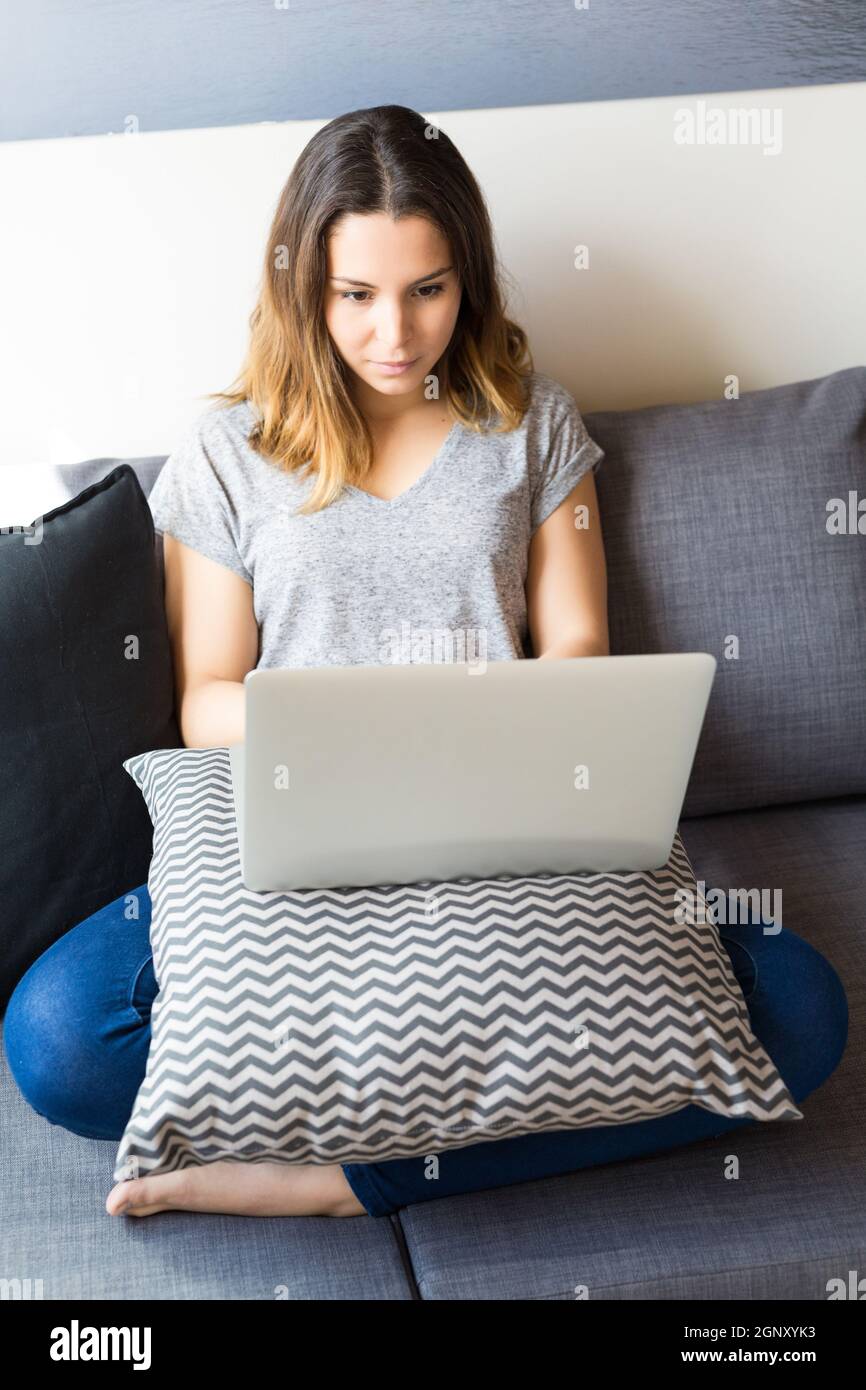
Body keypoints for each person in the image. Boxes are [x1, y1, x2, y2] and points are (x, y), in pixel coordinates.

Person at [4, 105, 848, 1221]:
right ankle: (438, 1125)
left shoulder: (532, 425)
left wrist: (479, 728)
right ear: (304, 284)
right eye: (355, 295)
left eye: (427, 289)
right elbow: (205, 698)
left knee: (802, 1007)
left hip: (504, 817)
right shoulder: (228, 452)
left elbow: (579, 652)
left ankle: (352, 1184)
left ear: (469, 279)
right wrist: (353, 733)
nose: (393, 333)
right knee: (57, 1036)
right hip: (301, 821)